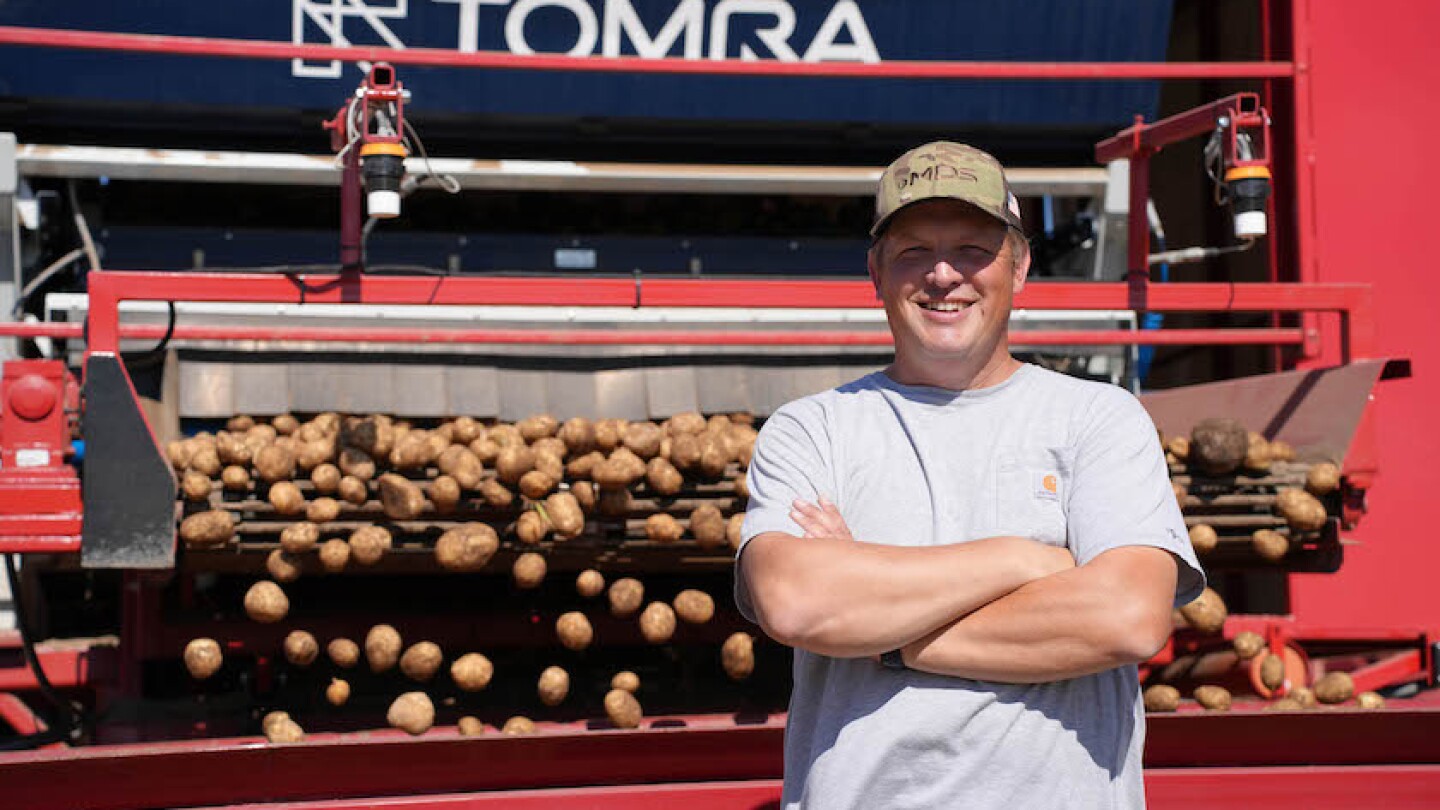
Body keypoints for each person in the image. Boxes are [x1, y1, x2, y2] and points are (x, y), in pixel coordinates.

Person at [734, 141, 1205, 809]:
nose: (944, 274)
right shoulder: (813, 430)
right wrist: (1028, 559)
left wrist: (885, 634)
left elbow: (1126, 617)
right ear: (875, 271)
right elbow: (797, 601)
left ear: (1020, 267)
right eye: (914, 252)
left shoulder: (1099, 420)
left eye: (974, 249)